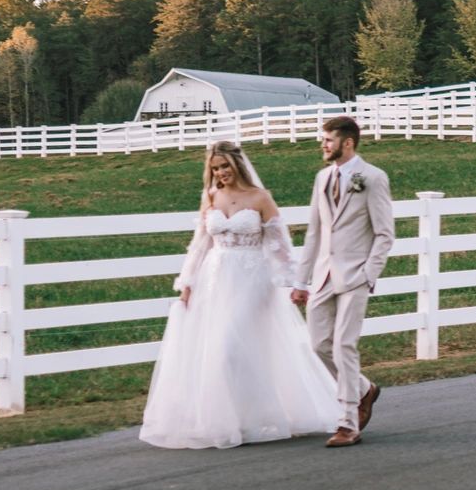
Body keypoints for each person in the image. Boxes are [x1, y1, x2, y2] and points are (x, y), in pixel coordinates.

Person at [139, 140, 340, 449]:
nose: (220, 173)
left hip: (253, 279)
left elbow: (279, 247)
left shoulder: (261, 198)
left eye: (225, 167)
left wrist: (296, 283)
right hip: (215, 280)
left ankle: (257, 418)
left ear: (238, 165)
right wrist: (187, 282)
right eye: (215, 168)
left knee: (233, 347)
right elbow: (200, 244)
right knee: (219, 350)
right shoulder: (210, 197)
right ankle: (231, 420)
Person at [291, 115, 394, 447]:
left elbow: (384, 234)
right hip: (322, 277)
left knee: (343, 346)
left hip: (355, 276)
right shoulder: (322, 177)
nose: (323, 145)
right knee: (318, 344)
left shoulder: (374, 178)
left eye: (328, 140)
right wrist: (301, 280)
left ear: (347, 143)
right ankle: (364, 389)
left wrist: (368, 274)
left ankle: (348, 423)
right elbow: (314, 232)